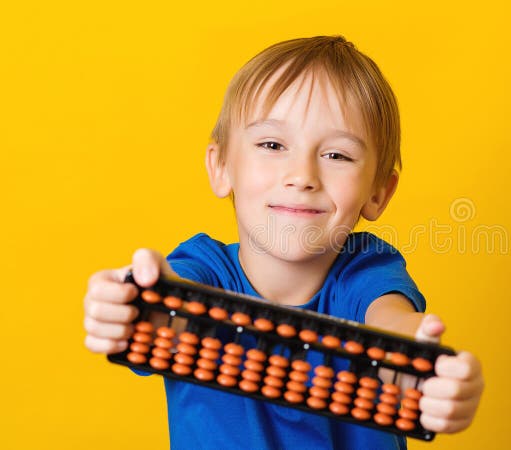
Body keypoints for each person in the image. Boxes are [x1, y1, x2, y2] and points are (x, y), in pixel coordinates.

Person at [83, 35, 483, 449]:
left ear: (379, 192)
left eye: (337, 155)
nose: (302, 174)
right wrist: (138, 301)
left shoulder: (365, 269)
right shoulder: (205, 267)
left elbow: (391, 320)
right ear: (221, 167)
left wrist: (421, 363)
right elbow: (175, 306)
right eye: (272, 145)